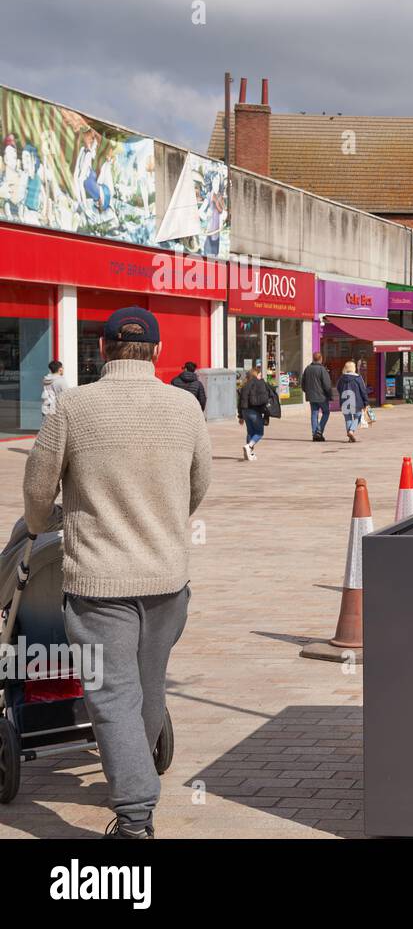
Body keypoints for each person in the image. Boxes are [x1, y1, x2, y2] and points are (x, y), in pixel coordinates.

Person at [23, 306, 211, 839]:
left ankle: (133, 818)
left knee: (111, 699)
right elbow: (200, 483)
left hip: (99, 584)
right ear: (156, 351)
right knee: (146, 692)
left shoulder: (73, 407)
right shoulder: (184, 407)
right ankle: (135, 781)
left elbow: (39, 492)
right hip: (168, 580)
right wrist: (165, 520)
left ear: (101, 350)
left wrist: (42, 522)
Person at [237, 366, 273, 461]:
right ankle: (249, 446)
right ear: (256, 374)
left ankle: (249, 453)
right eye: (260, 374)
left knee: (250, 432)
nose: (261, 376)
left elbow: (240, 401)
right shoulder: (259, 383)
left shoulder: (245, 385)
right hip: (254, 411)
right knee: (259, 432)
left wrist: (240, 416)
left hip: (245, 411)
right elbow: (264, 398)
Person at [302, 352, 333, 442]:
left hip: (312, 396)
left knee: (314, 414)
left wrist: (307, 391)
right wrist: (329, 395)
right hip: (322, 396)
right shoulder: (322, 370)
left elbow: (303, 383)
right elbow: (327, 385)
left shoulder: (307, 369)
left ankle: (315, 433)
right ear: (321, 359)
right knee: (326, 412)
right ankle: (319, 431)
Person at [337, 360, 370, 443]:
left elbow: (338, 388)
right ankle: (351, 431)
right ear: (353, 368)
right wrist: (366, 402)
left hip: (345, 401)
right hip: (356, 401)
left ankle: (350, 437)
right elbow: (363, 391)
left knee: (348, 419)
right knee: (358, 416)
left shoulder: (341, 378)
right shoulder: (358, 378)